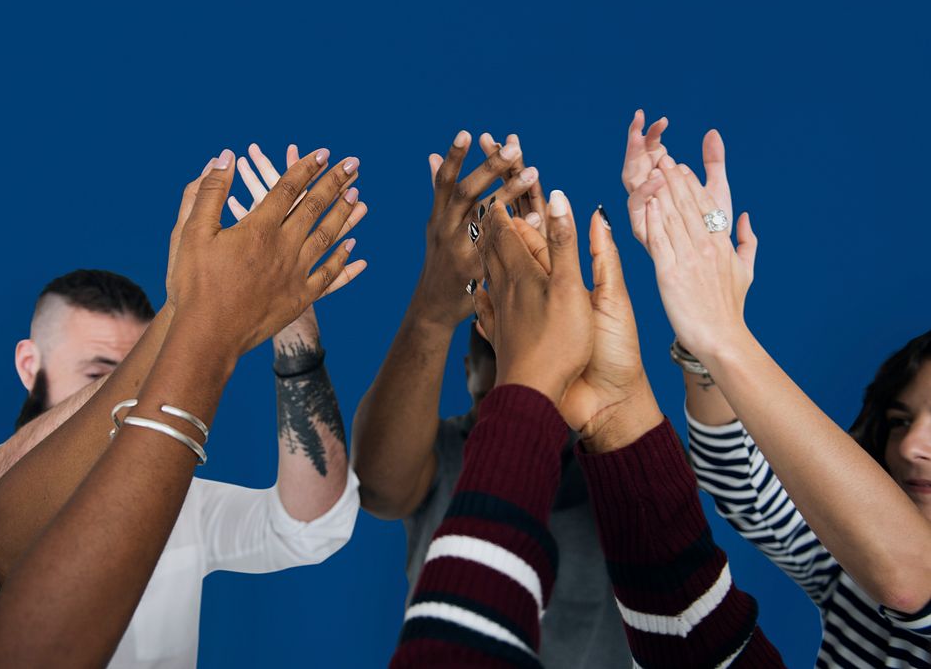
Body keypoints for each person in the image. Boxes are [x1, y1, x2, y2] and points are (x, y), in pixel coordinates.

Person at [0, 146, 365, 668]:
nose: (136, 386)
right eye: (98, 372)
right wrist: (200, 329)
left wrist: (287, 323)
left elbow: (310, 528)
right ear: (29, 363)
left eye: (141, 365)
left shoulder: (183, 501)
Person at [392, 192, 782, 667]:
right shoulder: (445, 451)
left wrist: (533, 385)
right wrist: (615, 408)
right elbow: (701, 644)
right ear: (468, 371)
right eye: (496, 359)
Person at [621, 111, 931, 665]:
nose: (910, 447)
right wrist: (700, 339)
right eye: (901, 420)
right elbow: (739, 480)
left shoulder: (891, 564)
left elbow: (909, 579)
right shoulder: (848, 567)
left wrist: (724, 333)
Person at [351, 132, 634, 667]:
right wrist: (434, 307)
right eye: (495, 343)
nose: (519, 361)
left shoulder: (621, 458)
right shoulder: (447, 453)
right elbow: (378, 489)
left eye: (531, 342)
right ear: (468, 372)